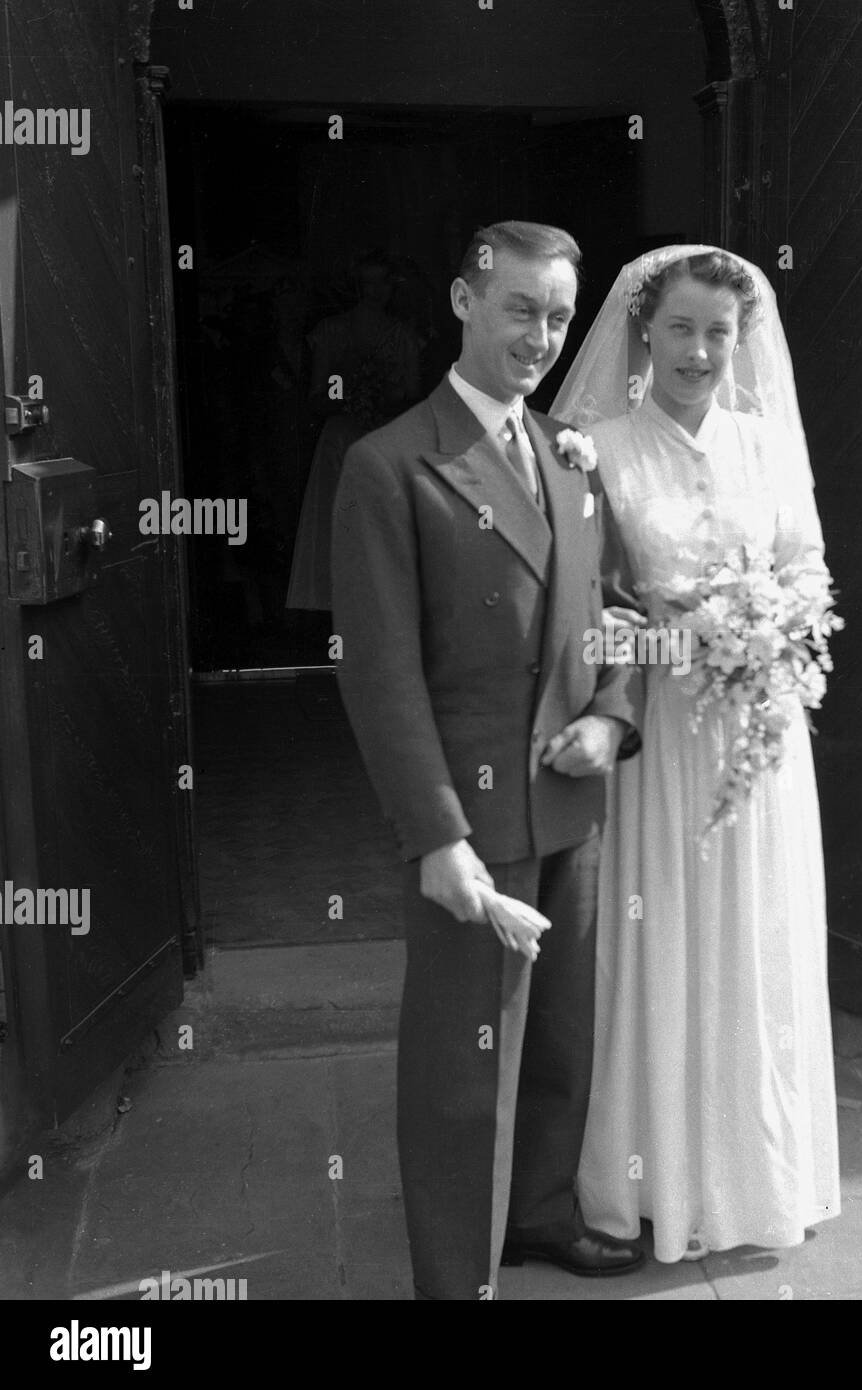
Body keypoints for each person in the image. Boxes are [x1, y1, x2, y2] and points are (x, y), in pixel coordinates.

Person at [330, 221, 646, 1300]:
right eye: (520, 309)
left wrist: (611, 717)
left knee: (561, 1034)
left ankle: (540, 1215)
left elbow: (617, 612)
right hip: (470, 821)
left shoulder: (568, 452)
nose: (541, 337)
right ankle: (457, 1274)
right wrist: (434, 836)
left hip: (570, 802)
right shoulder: (390, 465)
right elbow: (379, 673)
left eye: (558, 316)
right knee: (465, 1068)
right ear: (464, 303)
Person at [552, 245, 842, 1263]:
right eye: (679, 327)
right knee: (661, 932)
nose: (699, 350)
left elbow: (806, 571)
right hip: (658, 743)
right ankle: (650, 1176)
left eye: (718, 331)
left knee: (751, 933)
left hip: (756, 741)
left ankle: (756, 1176)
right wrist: (683, 639)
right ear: (643, 330)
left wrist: (771, 628)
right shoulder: (595, 449)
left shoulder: (767, 445)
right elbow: (584, 615)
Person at [287, 249, 422, 612]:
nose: (375, 291)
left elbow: (413, 396)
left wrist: (381, 400)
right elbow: (319, 395)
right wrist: (352, 394)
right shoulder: (333, 331)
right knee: (341, 519)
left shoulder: (404, 336)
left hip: (388, 437)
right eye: (368, 283)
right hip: (343, 440)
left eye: (383, 283)